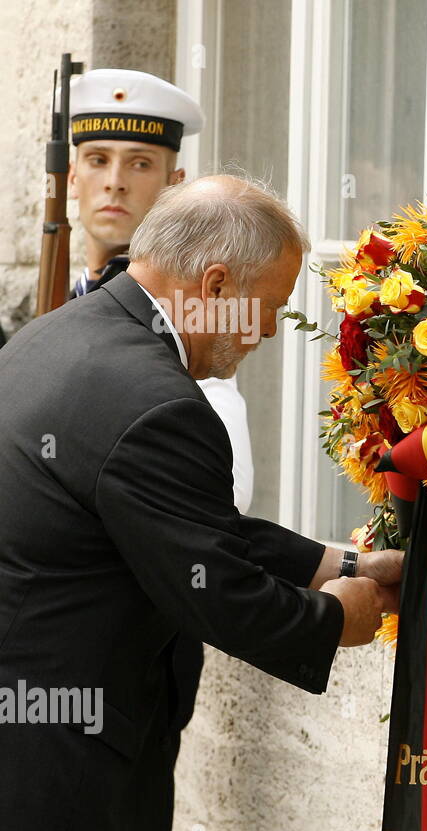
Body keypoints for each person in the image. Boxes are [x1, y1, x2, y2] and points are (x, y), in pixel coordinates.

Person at [0, 175, 401, 831]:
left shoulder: (60, 335)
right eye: (272, 307)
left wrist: (341, 561)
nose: (272, 330)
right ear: (216, 284)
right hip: (61, 797)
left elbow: (176, 521)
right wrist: (341, 615)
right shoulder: (158, 401)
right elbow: (222, 596)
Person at [65, 67, 254, 738]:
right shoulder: (48, 320)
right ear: (71, 180)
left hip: (122, 683)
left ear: (175, 190)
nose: (114, 180)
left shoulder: (187, 337)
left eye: (140, 163)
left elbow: (217, 522)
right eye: (97, 159)